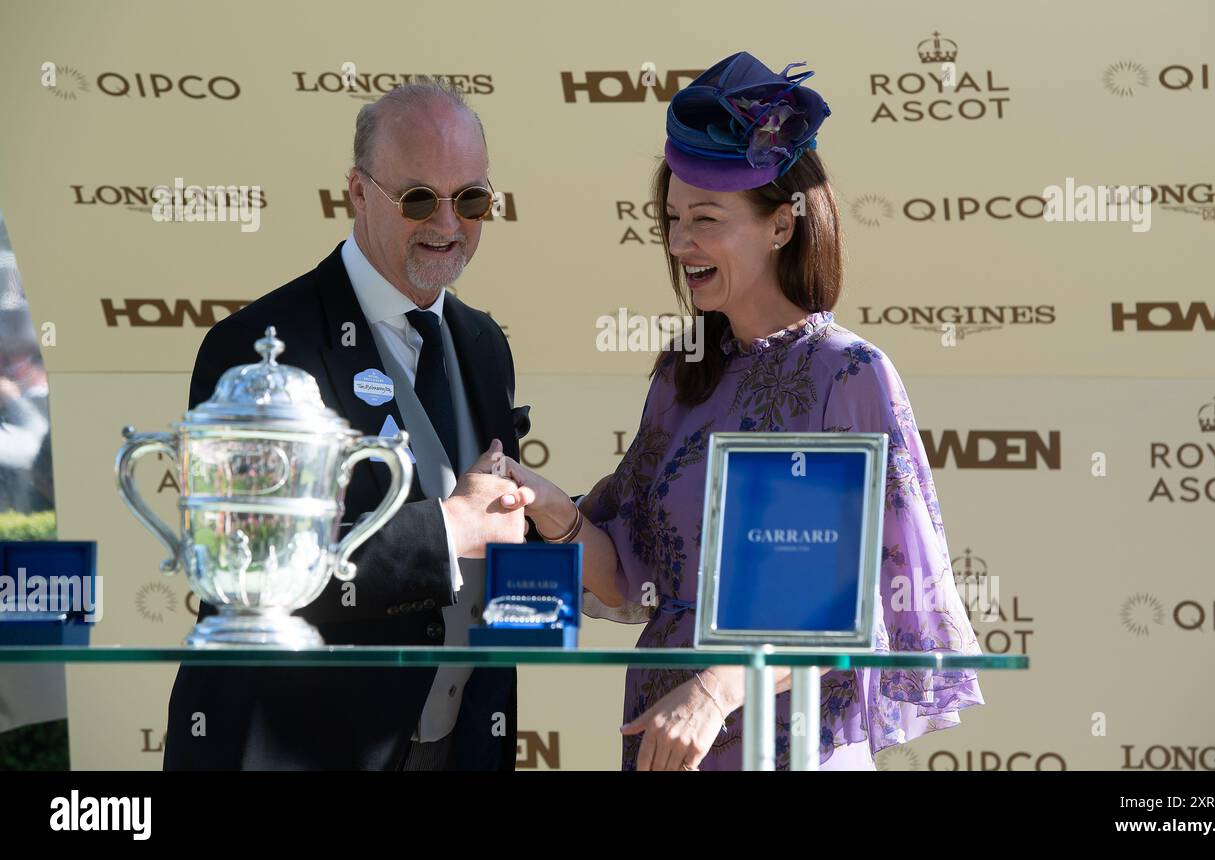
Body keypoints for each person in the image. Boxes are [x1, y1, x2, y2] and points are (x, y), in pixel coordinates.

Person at [498, 51, 985, 770]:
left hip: (782, 744)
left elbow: (848, 612)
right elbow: (627, 577)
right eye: (671, 218)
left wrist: (714, 692)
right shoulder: (683, 371)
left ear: (782, 226)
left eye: (706, 219)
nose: (679, 241)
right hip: (663, 739)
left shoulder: (846, 373)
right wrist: (549, 508)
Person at [164, 80, 536, 770]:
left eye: (473, 199)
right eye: (419, 198)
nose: (448, 223)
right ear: (357, 193)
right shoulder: (262, 345)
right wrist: (451, 529)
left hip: (455, 747)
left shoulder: (483, 343)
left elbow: (497, 545)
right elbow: (246, 574)